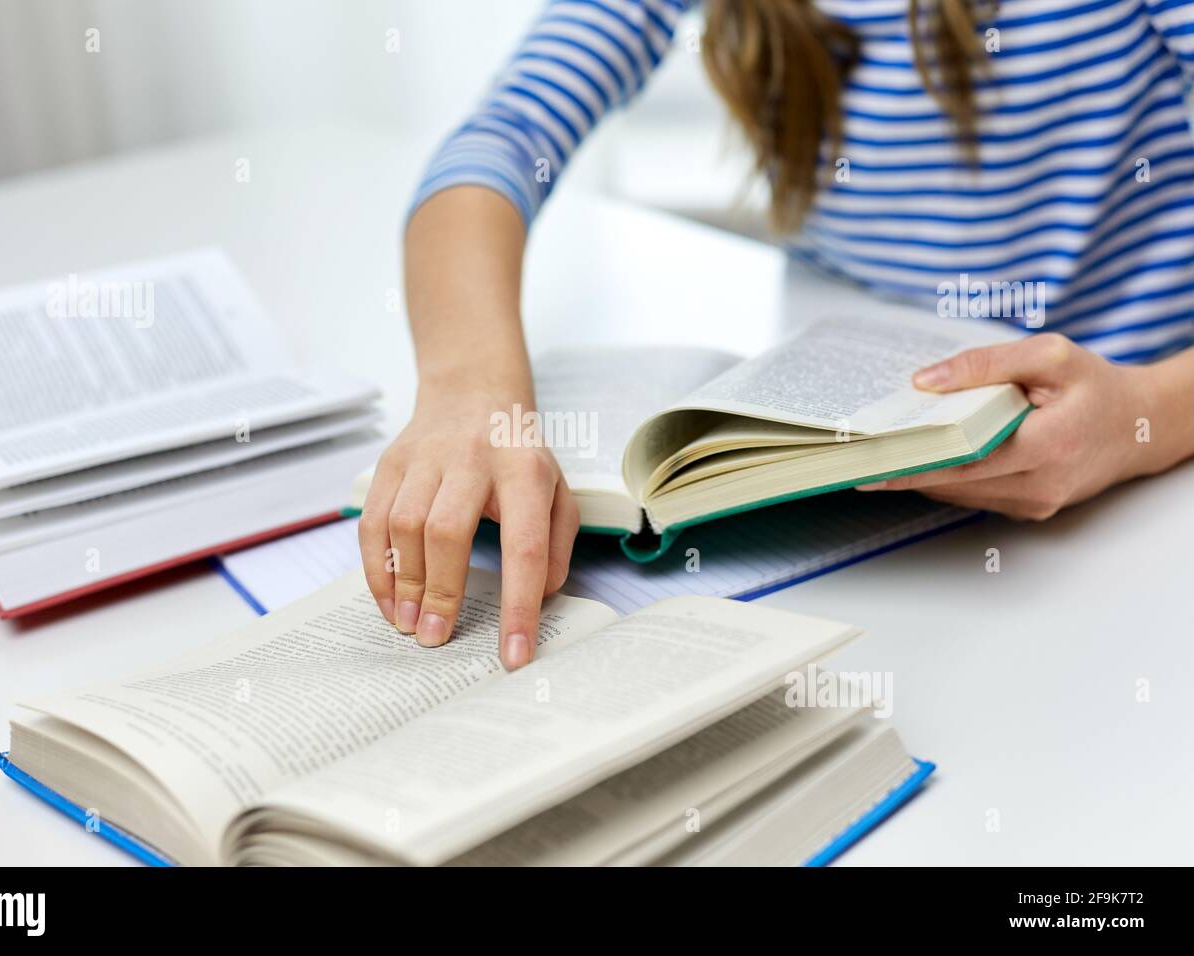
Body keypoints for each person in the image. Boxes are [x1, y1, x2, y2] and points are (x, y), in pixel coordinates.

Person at [359, 0, 1194, 668]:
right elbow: (505, 138)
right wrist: (470, 392)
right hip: (857, 521)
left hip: (1138, 515)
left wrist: (1144, 417)